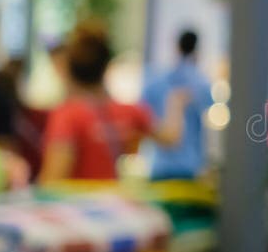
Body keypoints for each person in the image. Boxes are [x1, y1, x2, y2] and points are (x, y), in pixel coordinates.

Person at [39, 21, 186, 182]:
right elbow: (171, 138)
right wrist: (176, 104)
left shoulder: (67, 115)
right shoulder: (129, 111)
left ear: (70, 69)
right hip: (111, 201)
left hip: (78, 204)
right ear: (106, 66)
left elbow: (52, 181)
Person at [142, 30, 213, 180]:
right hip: (190, 166)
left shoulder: (156, 79)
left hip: (160, 165)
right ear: (197, 49)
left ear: (176, 47)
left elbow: (144, 114)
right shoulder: (202, 82)